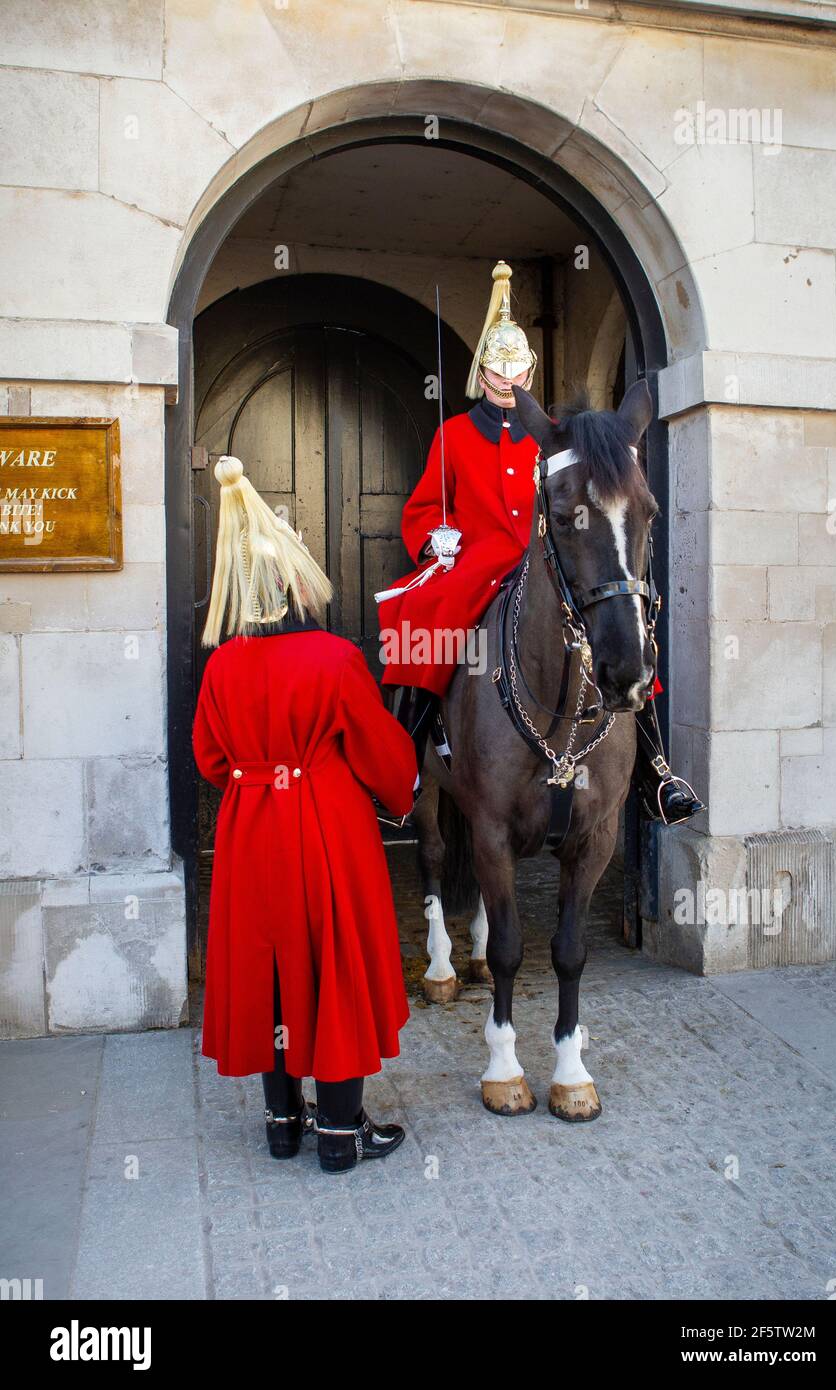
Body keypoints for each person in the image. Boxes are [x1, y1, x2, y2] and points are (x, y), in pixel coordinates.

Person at [377, 260, 703, 826]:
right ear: (484, 377)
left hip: (548, 556)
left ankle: (655, 764)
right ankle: (410, 749)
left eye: (518, 375)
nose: (510, 385)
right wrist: (437, 538)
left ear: (528, 374)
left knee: (620, 619)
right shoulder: (453, 436)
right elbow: (425, 507)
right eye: (500, 376)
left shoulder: (556, 433)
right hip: (477, 559)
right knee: (427, 614)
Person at [192, 455, 418, 1173]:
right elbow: (383, 756)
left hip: (250, 832)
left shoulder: (222, 664)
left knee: (275, 975)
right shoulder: (334, 658)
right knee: (334, 970)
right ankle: (342, 1136)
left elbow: (208, 759)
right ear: (293, 582)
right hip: (326, 829)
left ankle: (282, 1123)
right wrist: (400, 792)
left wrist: (257, 780)